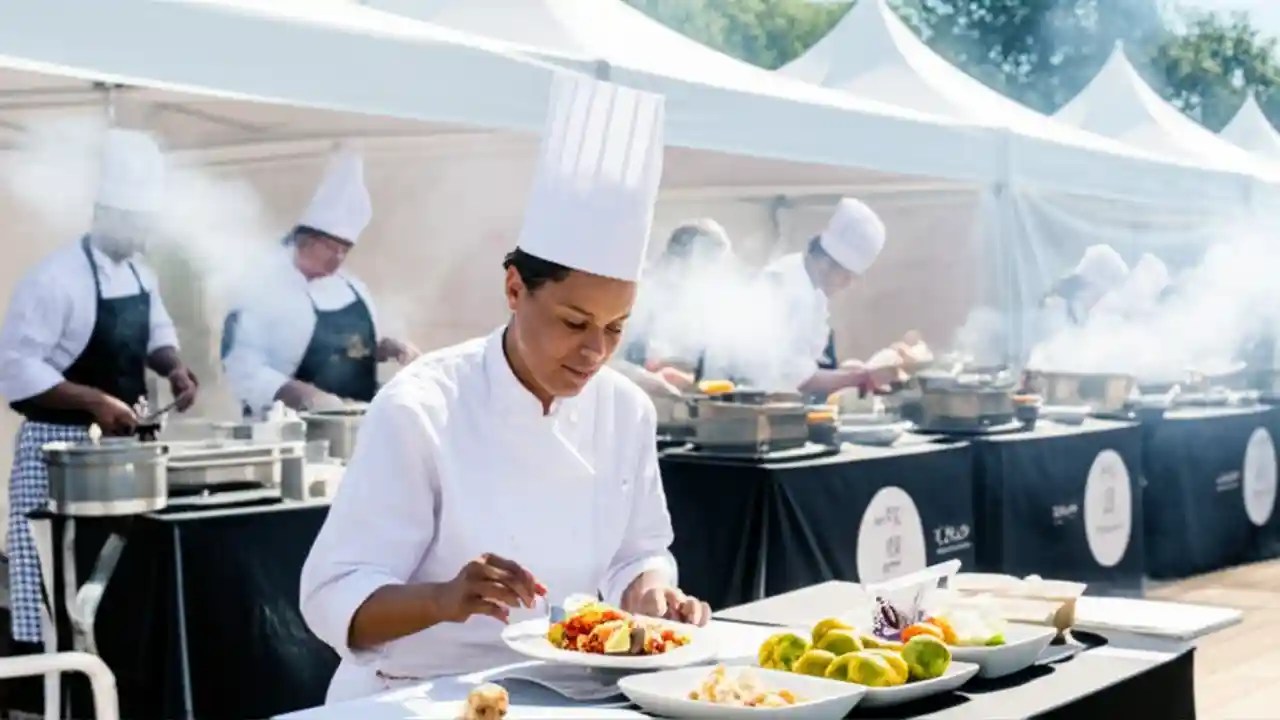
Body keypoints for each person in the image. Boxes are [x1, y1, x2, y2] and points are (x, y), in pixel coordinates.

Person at [299, 73, 709, 702]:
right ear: (515, 289)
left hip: (577, 689)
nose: (594, 352)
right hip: (420, 694)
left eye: (615, 329)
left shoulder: (626, 408)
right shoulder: (421, 408)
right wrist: (443, 599)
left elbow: (640, 549)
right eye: (575, 323)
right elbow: (333, 596)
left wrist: (651, 590)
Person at [0, 128, 199, 650]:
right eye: (133, 223)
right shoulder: (55, 278)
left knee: (112, 592)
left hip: (118, 457)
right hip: (54, 454)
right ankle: (47, 689)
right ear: (103, 213)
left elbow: (158, 334)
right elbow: (15, 366)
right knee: (49, 587)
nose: (140, 236)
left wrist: (174, 368)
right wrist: (94, 400)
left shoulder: (141, 272)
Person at [221, 145, 419, 415]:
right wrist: (294, 391)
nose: (338, 258)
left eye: (345, 250)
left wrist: (387, 347)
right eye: (331, 247)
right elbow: (240, 363)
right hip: (289, 427)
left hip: (357, 421)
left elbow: (353, 348)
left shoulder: (352, 288)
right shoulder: (261, 289)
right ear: (306, 241)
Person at [746, 198, 901, 397]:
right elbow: (799, 378)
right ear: (826, 263)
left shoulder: (812, 287)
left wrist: (847, 372)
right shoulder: (788, 287)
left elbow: (810, 364)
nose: (847, 284)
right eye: (846, 276)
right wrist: (862, 377)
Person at [615, 218, 735, 394]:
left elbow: (719, 377)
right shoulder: (637, 299)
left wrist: (691, 382)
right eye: (710, 263)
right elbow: (608, 365)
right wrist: (649, 379)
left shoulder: (711, 311)